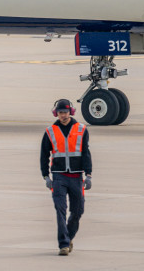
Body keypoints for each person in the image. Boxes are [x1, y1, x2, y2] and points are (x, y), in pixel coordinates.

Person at [40, 98, 92, 255]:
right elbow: (44, 155)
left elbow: (86, 153)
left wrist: (88, 174)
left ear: (71, 112)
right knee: (60, 209)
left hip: (76, 177)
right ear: (56, 113)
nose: (63, 115)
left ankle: (69, 237)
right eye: (60, 112)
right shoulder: (50, 131)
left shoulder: (81, 129)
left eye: (65, 112)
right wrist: (46, 176)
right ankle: (63, 245)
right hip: (59, 177)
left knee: (78, 211)